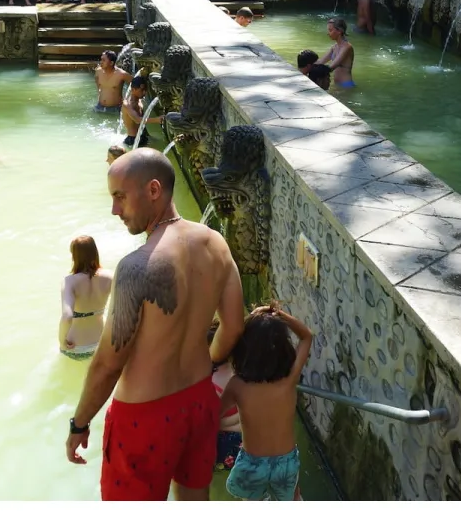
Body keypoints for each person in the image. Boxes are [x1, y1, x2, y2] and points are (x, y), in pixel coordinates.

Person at [64, 149, 246, 502]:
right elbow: (234, 326)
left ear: (153, 190)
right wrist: (206, 363)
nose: (114, 209)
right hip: (200, 401)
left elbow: (108, 363)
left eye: (120, 196)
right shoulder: (216, 243)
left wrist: (79, 423)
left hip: (144, 419)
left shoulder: (138, 266)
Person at [220, 303, 312, 502]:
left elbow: (214, 415)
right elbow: (306, 336)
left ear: (244, 350)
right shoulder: (289, 379)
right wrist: (278, 313)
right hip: (285, 463)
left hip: (252, 464)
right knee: (290, 498)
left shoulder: (237, 385)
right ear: (284, 349)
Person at [60, 236, 114, 361]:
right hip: (100, 342)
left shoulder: (69, 281)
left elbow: (67, 317)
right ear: (95, 252)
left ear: (74, 256)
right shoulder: (111, 276)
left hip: (75, 345)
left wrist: (62, 341)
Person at [209, 320, 243, 474]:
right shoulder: (241, 374)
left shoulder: (207, 384)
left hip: (222, 449)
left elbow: (208, 425)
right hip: (244, 442)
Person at [122, 74, 164, 148]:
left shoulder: (140, 101)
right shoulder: (127, 104)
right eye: (141, 90)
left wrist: (149, 137)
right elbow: (137, 120)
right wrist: (157, 120)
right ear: (133, 89)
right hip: (133, 140)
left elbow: (142, 124)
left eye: (145, 90)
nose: (144, 93)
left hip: (143, 136)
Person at [317, 18, 355, 88]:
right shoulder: (334, 47)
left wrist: (314, 70)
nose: (328, 33)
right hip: (336, 85)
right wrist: (307, 64)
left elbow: (331, 67)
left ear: (339, 31)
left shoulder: (347, 47)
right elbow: (321, 61)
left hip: (346, 85)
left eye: (330, 30)